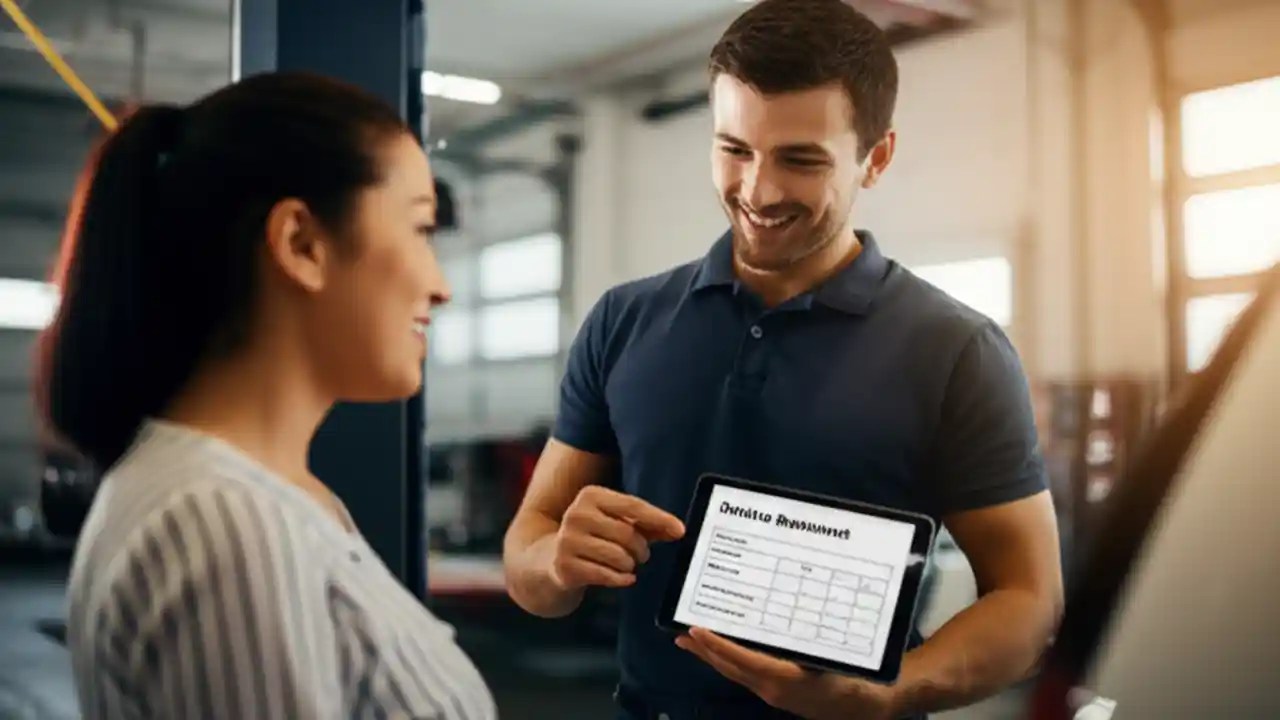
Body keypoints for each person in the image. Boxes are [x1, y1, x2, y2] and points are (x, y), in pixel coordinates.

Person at [502, 1, 1064, 719]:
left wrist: (886, 692)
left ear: (877, 156)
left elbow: (1029, 601)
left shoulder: (959, 351)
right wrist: (554, 563)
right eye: (734, 149)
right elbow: (531, 546)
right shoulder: (623, 320)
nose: (758, 191)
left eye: (801, 160)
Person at [40, 72, 496, 720]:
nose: (440, 284)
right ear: (301, 244)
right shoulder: (220, 520)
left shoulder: (260, 500)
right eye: (421, 230)